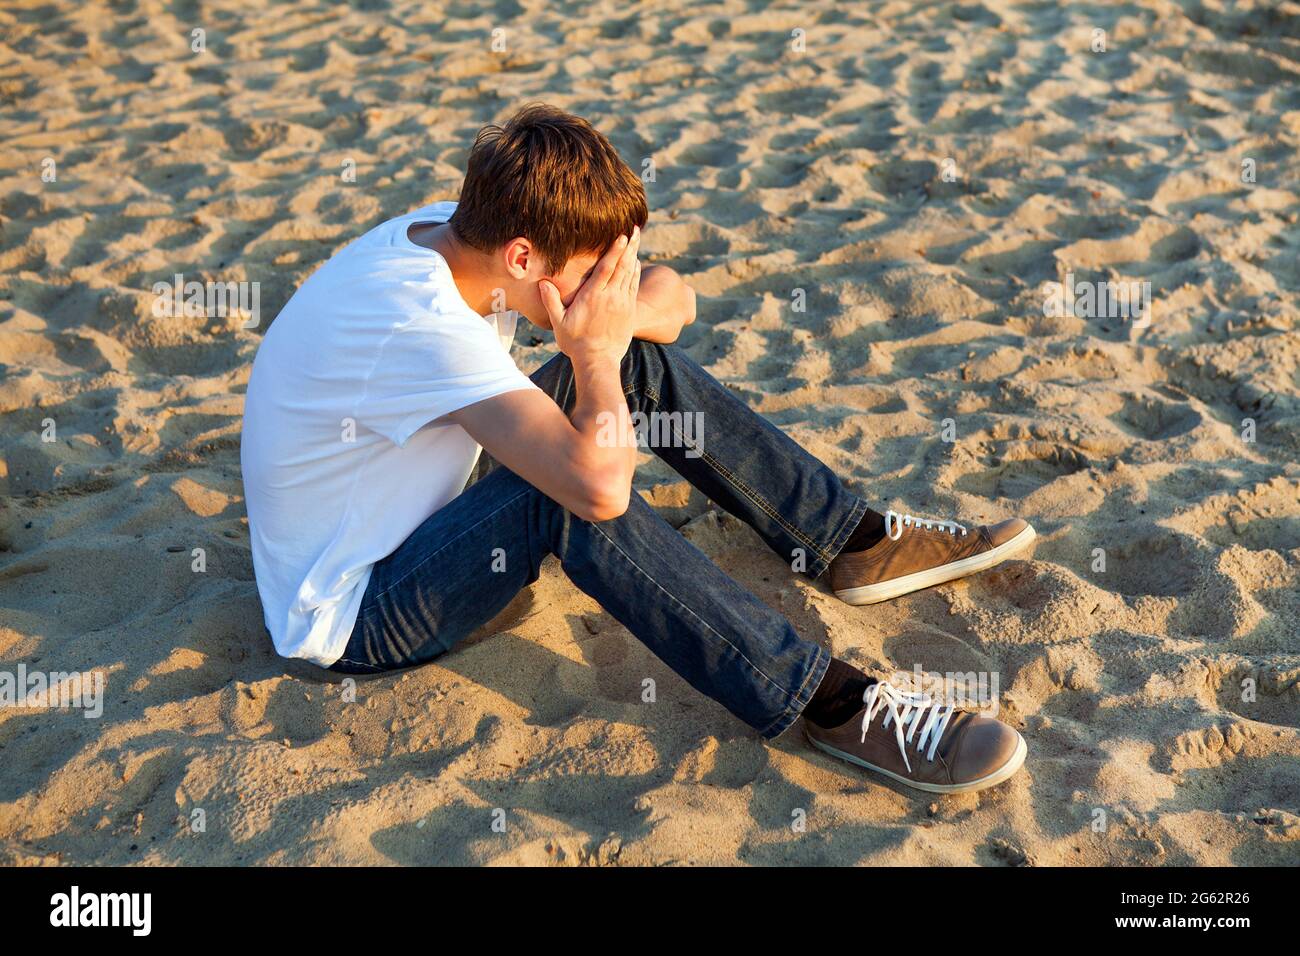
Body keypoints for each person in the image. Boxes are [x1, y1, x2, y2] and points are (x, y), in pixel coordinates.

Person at [240, 105, 1037, 794]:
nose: (604, 289)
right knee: (571, 490)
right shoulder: (416, 326)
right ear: (523, 258)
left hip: (418, 509)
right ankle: (830, 704)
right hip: (355, 609)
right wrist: (589, 354)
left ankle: (851, 543)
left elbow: (672, 298)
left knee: (634, 363)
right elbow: (602, 493)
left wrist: (611, 330)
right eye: (591, 274)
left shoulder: (462, 230)